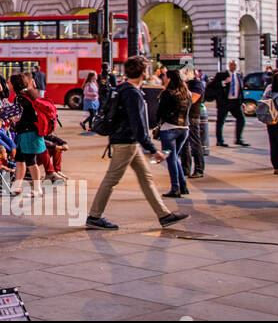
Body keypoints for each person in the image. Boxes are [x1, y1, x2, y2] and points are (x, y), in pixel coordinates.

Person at [84, 56, 189, 231]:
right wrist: (153, 149)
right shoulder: (132, 94)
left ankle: (164, 215)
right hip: (126, 142)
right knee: (111, 179)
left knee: (145, 178)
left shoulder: (123, 89)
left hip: (127, 141)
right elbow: (138, 125)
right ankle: (94, 216)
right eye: (146, 69)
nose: (148, 72)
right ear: (142, 72)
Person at [154, 70, 193, 198]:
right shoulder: (187, 93)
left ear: (169, 79)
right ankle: (183, 186)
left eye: (165, 77)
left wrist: (158, 123)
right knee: (175, 157)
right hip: (184, 128)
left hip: (169, 128)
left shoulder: (167, 93)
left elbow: (160, 112)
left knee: (171, 159)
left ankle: (175, 188)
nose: (164, 79)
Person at [216, 59, 248, 147]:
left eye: (235, 65)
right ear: (228, 66)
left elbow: (241, 90)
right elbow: (213, 86)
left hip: (236, 102)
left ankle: (238, 139)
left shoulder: (239, 75)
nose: (233, 66)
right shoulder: (221, 75)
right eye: (231, 65)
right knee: (220, 121)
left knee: (241, 119)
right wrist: (224, 82)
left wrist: (242, 102)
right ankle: (219, 140)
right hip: (225, 102)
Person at [184, 68, 208, 178]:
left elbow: (191, 99)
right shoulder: (186, 83)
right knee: (184, 145)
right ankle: (185, 168)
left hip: (193, 116)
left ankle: (199, 169)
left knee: (195, 143)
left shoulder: (197, 84)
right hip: (183, 117)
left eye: (187, 72)